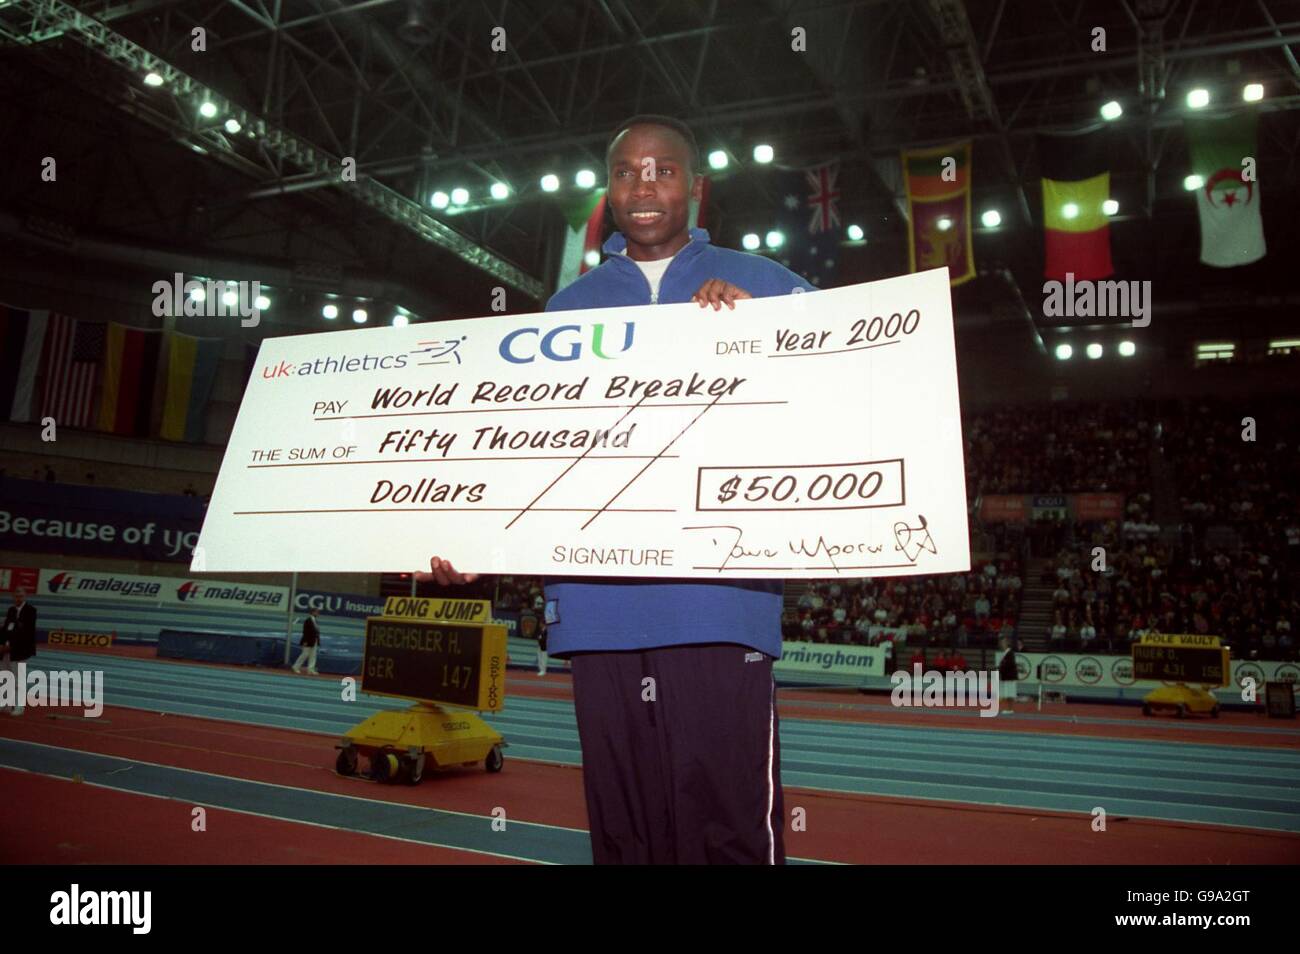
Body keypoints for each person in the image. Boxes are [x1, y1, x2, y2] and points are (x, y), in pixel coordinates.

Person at [425, 115, 815, 865]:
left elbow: (852, 377)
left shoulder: (768, 283)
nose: (644, 186)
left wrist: (770, 335)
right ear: (609, 189)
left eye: (662, 170)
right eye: (628, 172)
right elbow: (529, 451)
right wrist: (476, 536)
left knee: (728, 828)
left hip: (717, 603)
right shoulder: (564, 312)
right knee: (627, 835)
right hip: (599, 612)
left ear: (694, 187)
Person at [2, 587, 37, 716]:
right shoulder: (11, 610)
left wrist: (10, 646)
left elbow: (26, 633)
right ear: (13, 596)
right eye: (16, 596)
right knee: (5, 676)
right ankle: (5, 704)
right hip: (5, 651)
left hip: (20, 651)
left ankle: (19, 706)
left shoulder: (31, 611)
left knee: (18, 679)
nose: (18, 598)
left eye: (21, 596)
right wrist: (1, 644)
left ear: (25, 596)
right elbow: (6, 628)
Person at [291, 607, 321, 675]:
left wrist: (318, 640)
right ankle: (295, 667)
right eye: (317, 612)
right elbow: (305, 632)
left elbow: (316, 631)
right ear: (313, 612)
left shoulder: (315, 620)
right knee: (305, 654)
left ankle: (311, 669)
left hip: (314, 640)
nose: (318, 613)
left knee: (313, 655)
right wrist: (305, 641)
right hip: (308, 640)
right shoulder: (308, 621)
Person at [996, 636, 1018, 715]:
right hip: (1007, 676)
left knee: (1010, 693)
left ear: (1007, 643)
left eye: (1003, 642)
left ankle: (1010, 709)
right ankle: (1009, 708)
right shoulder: (1005, 653)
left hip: (1010, 677)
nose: (1002, 644)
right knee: (1008, 692)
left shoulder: (1010, 653)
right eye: (1001, 642)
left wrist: (1001, 667)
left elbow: (1009, 664)